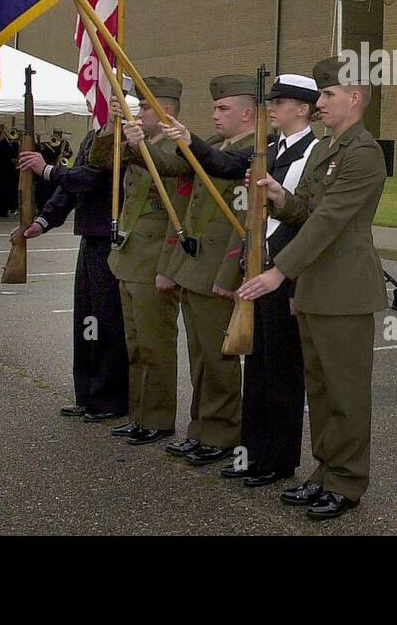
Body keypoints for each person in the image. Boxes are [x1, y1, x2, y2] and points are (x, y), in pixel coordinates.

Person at [239, 56, 387, 521]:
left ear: (355, 97)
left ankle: (347, 480)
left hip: (344, 290)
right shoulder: (329, 149)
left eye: (327, 95)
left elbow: (330, 221)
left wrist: (279, 271)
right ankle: (325, 472)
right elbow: (308, 208)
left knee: (344, 392)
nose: (318, 103)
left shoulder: (364, 152)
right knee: (320, 390)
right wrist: (281, 198)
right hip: (317, 287)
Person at [161, 73, 319, 489]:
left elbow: (309, 215)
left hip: (285, 269)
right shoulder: (268, 149)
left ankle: (279, 460)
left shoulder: (314, 153)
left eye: (281, 102)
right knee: (259, 370)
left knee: (283, 374)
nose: (273, 109)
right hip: (259, 266)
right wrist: (188, 138)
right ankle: (253, 452)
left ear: (302, 109)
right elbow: (225, 164)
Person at [151, 75, 256, 467]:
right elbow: (171, 171)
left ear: (247, 113)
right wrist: (138, 141)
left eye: (223, 108)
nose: (215, 114)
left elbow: (241, 218)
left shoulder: (251, 152)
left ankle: (223, 432)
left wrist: (229, 277)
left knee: (219, 357)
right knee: (198, 355)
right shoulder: (214, 145)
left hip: (217, 271)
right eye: (214, 107)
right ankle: (200, 428)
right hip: (194, 268)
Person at [88, 77, 189, 444]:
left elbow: (173, 182)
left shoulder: (180, 147)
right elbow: (99, 161)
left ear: (167, 111)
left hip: (154, 259)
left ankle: (159, 418)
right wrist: (111, 127)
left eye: (144, 107)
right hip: (130, 257)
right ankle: (139, 412)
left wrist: (168, 266)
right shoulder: (133, 141)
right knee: (135, 343)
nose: (138, 111)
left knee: (156, 344)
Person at [14, 127, 128, 421]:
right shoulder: (94, 134)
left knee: (106, 320)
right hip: (91, 235)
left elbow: (91, 178)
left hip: (110, 237)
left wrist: (48, 170)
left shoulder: (120, 133)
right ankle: (88, 394)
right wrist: (45, 219)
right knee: (86, 319)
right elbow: (73, 185)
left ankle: (109, 398)